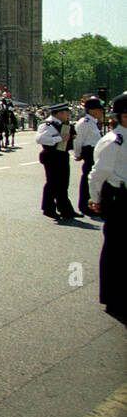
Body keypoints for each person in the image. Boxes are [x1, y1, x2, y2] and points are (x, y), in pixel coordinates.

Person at [88, 92, 127, 322]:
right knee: (115, 248)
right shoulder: (114, 141)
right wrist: (95, 198)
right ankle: (113, 297)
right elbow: (98, 174)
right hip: (119, 196)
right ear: (122, 116)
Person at [36, 102, 78, 221]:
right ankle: (48, 208)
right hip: (51, 156)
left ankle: (65, 209)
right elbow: (40, 139)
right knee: (53, 183)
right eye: (66, 113)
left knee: (63, 183)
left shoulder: (62, 123)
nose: (68, 115)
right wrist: (59, 138)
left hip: (62, 155)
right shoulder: (47, 124)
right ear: (59, 113)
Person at [74, 97, 104, 217]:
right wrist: (77, 153)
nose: (102, 112)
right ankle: (85, 206)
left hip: (94, 151)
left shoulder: (93, 122)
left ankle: (91, 204)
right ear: (92, 110)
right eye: (99, 109)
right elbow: (78, 140)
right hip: (89, 151)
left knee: (93, 179)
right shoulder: (84, 122)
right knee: (88, 179)